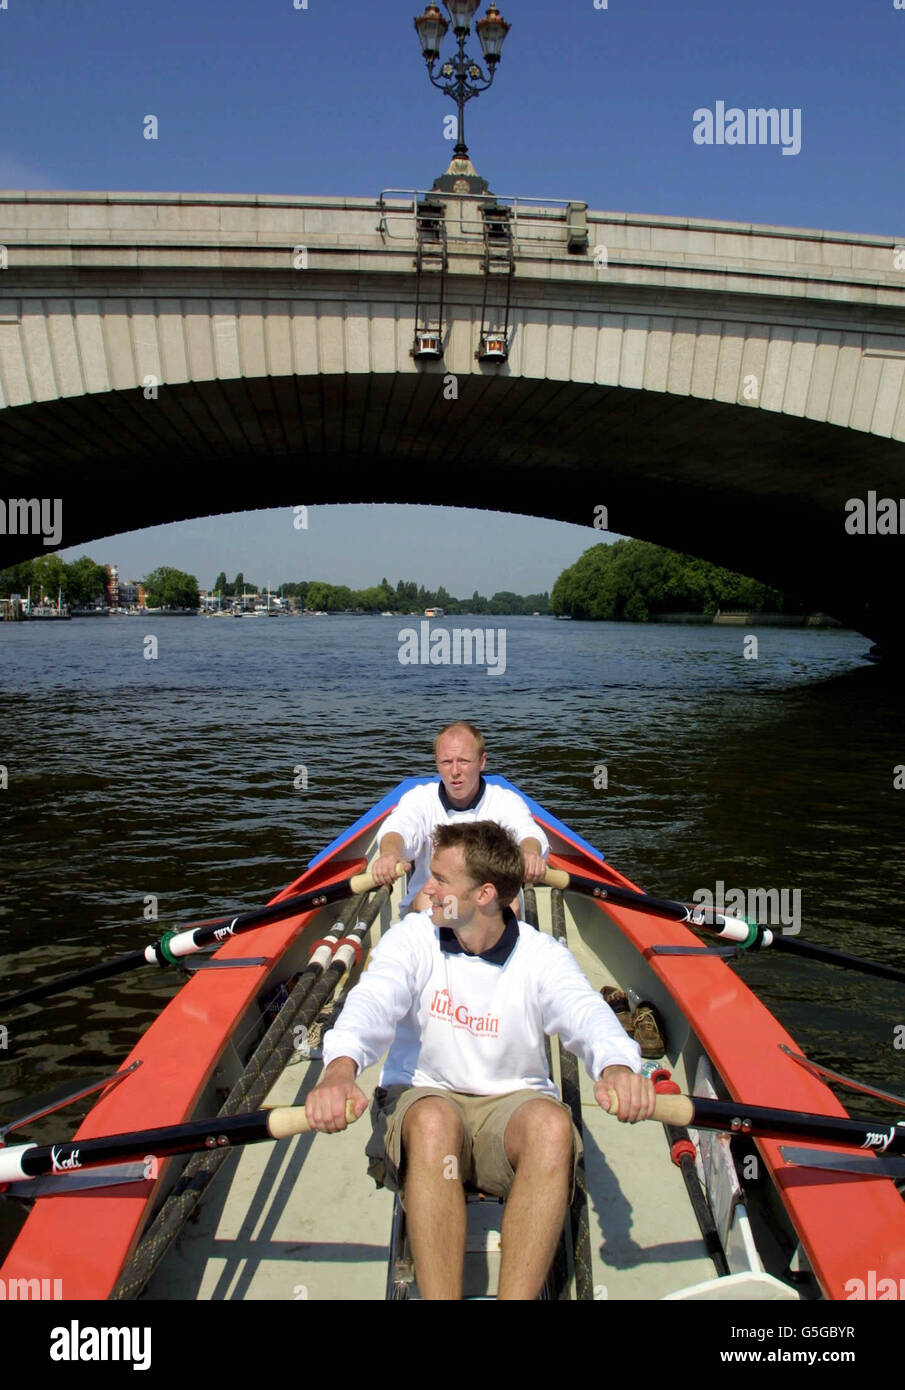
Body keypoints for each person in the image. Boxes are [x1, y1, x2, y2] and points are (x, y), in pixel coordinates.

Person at [305, 820, 656, 1301]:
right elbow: (371, 1003)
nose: (423, 889)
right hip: (425, 1095)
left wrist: (618, 1066)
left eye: (440, 880)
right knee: (432, 1122)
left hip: (509, 1110)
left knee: (553, 1127)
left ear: (485, 894)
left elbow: (587, 1013)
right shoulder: (413, 938)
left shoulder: (541, 956)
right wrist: (340, 1069)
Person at [369, 721, 548, 911]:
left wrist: (530, 853)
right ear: (436, 763)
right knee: (426, 900)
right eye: (446, 762)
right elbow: (398, 829)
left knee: (510, 904)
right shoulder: (419, 798)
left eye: (463, 761)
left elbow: (527, 832)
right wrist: (389, 854)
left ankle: (487, 937)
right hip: (436, 910)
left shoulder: (505, 800)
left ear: (482, 761)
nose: (455, 772)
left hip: (487, 909)